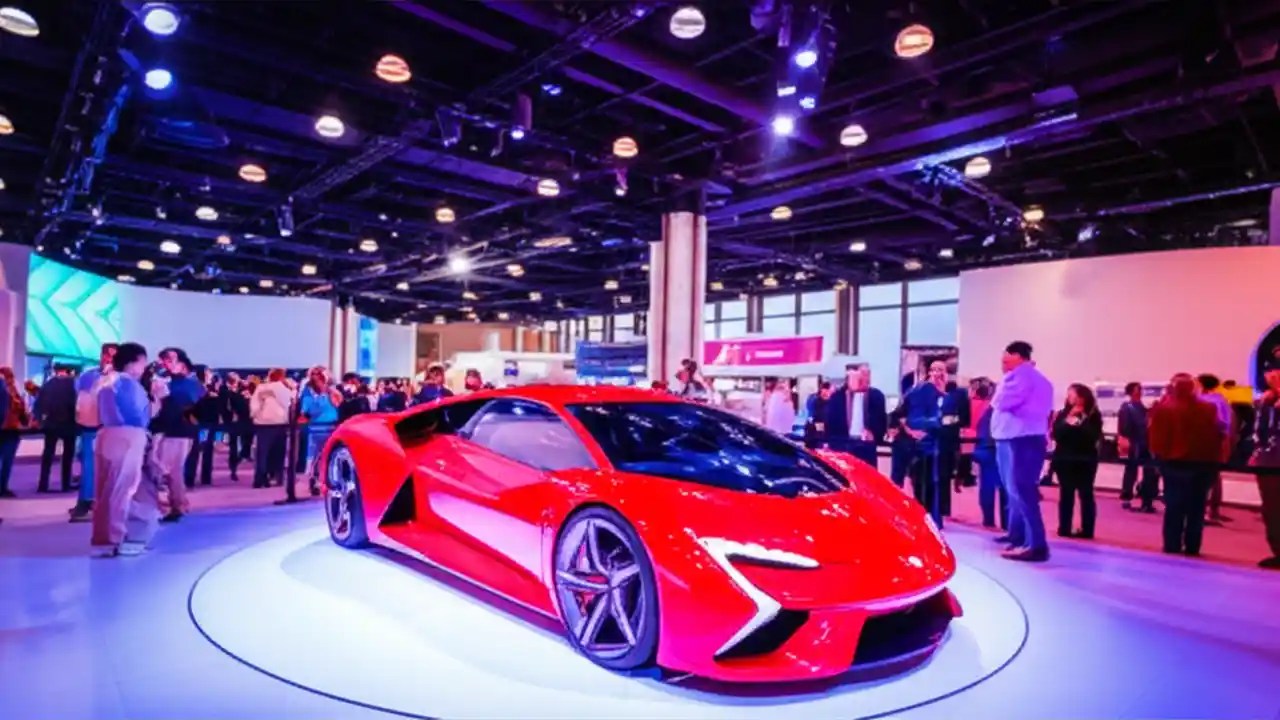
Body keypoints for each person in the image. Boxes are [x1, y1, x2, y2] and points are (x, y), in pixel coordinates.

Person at [991, 341, 1055, 562]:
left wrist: (1001, 390)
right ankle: (1026, 539)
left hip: (1021, 438)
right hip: (1029, 438)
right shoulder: (1041, 379)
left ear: (1018, 356)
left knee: (1023, 491)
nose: (1004, 363)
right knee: (1022, 490)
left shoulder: (1020, 376)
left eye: (1007, 357)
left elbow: (999, 402)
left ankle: (1036, 544)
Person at [1149, 373, 1224, 557]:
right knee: (1196, 509)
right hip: (1202, 466)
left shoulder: (1163, 409)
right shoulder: (1209, 409)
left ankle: (1172, 544)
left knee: (1173, 507)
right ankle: (1192, 546)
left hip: (1173, 465)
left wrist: (1159, 460)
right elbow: (1216, 437)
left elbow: (1156, 440)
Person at [89, 342, 151, 558]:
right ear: (132, 363)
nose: (143, 368)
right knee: (122, 489)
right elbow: (139, 416)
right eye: (142, 362)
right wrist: (156, 402)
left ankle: (102, 538)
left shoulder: (105, 381)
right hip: (127, 436)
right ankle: (117, 537)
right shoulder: (130, 385)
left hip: (106, 435)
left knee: (105, 489)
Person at [152, 348, 203, 522]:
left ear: (182, 363)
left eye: (169, 359)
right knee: (170, 471)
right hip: (169, 429)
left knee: (170, 470)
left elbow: (185, 404)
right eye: (163, 360)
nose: (165, 363)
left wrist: (165, 394)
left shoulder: (188, 383)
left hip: (179, 431)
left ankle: (175, 506)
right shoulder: (168, 380)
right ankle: (178, 505)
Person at [70, 343, 118, 520]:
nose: (109, 359)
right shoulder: (88, 376)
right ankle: (86, 502)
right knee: (89, 466)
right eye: (106, 354)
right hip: (91, 427)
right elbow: (82, 399)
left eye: (113, 356)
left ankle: (98, 504)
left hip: (112, 429)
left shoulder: (121, 377)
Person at [1051, 384, 1103, 539]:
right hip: (1065, 459)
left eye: (1072, 394)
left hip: (1085, 460)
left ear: (1082, 397)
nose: (1069, 397)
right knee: (1066, 494)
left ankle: (1087, 529)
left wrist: (1083, 420)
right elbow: (1057, 434)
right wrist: (1069, 420)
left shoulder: (1094, 415)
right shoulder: (1063, 413)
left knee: (1086, 494)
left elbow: (1092, 436)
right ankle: (1064, 527)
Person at [901, 360, 948, 526]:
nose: (937, 374)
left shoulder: (950, 394)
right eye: (934, 370)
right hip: (924, 446)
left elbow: (954, 418)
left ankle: (932, 519)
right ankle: (926, 520)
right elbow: (907, 416)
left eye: (941, 370)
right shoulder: (919, 390)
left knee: (934, 484)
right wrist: (910, 429)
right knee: (924, 484)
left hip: (941, 446)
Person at [825, 362, 888, 468]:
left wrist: (874, 434)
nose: (865, 380)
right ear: (849, 378)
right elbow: (830, 424)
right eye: (861, 377)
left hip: (866, 446)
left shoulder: (877, 396)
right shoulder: (837, 398)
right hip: (843, 445)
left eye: (867, 376)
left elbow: (882, 422)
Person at [295, 366, 340, 502]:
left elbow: (337, 403)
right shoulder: (307, 394)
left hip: (331, 428)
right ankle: (314, 482)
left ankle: (328, 481)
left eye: (319, 375)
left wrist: (328, 391)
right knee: (315, 457)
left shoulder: (332, 391)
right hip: (316, 428)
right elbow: (304, 412)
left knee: (329, 456)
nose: (317, 378)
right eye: (314, 375)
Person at [1252, 360, 1280, 569]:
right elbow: (1259, 431)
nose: (1270, 376)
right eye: (1268, 372)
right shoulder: (1266, 402)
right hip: (1268, 463)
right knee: (1271, 509)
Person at [1195, 374, 1234, 525]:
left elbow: (1221, 422)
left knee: (1206, 477)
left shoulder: (1207, 401)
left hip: (1207, 441)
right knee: (1214, 477)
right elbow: (1227, 423)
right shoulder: (1221, 400)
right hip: (1216, 440)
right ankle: (1213, 510)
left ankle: (1207, 510)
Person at [34, 365, 78, 494]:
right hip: (69, 424)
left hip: (51, 424)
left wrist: (41, 420)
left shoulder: (48, 384)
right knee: (68, 455)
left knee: (48, 455)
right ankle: (65, 484)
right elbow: (75, 403)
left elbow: (39, 404)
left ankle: (43, 484)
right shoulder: (72, 384)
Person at [1117, 382, 1159, 513]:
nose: (1140, 392)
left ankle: (1146, 498)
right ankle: (1128, 496)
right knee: (1131, 470)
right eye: (1137, 390)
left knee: (1147, 471)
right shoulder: (1128, 407)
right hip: (1135, 442)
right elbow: (1125, 427)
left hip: (1143, 442)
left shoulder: (1139, 407)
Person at [971, 379, 1007, 529]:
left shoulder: (984, 409)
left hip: (986, 450)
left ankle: (989, 519)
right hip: (999, 451)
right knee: (1004, 488)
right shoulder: (1002, 410)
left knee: (988, 486)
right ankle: (1005, 523)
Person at [251, 368, 293, 489]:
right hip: (280, 424)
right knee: (278, 453)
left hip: (263, 424)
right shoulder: (284, 389)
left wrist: (257, 417)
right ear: (281, 376)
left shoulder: (260, 389)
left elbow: (254, 406)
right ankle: (277, 478)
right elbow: (289, 404)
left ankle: (259, 479)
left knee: (262, 453)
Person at [0, 366, 22, 498]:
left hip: (5, 428)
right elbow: (19, 407)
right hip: (11, 429)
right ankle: (3, 487)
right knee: (7, 461)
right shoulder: (12, 391)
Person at [803, 381, 833, 449]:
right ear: (824, 390)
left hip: (811, 432)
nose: (830, 394)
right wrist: (823, 438)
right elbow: (818, 420)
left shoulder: (813, 398)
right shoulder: (817, 402)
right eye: (830, 391)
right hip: (815, 436)